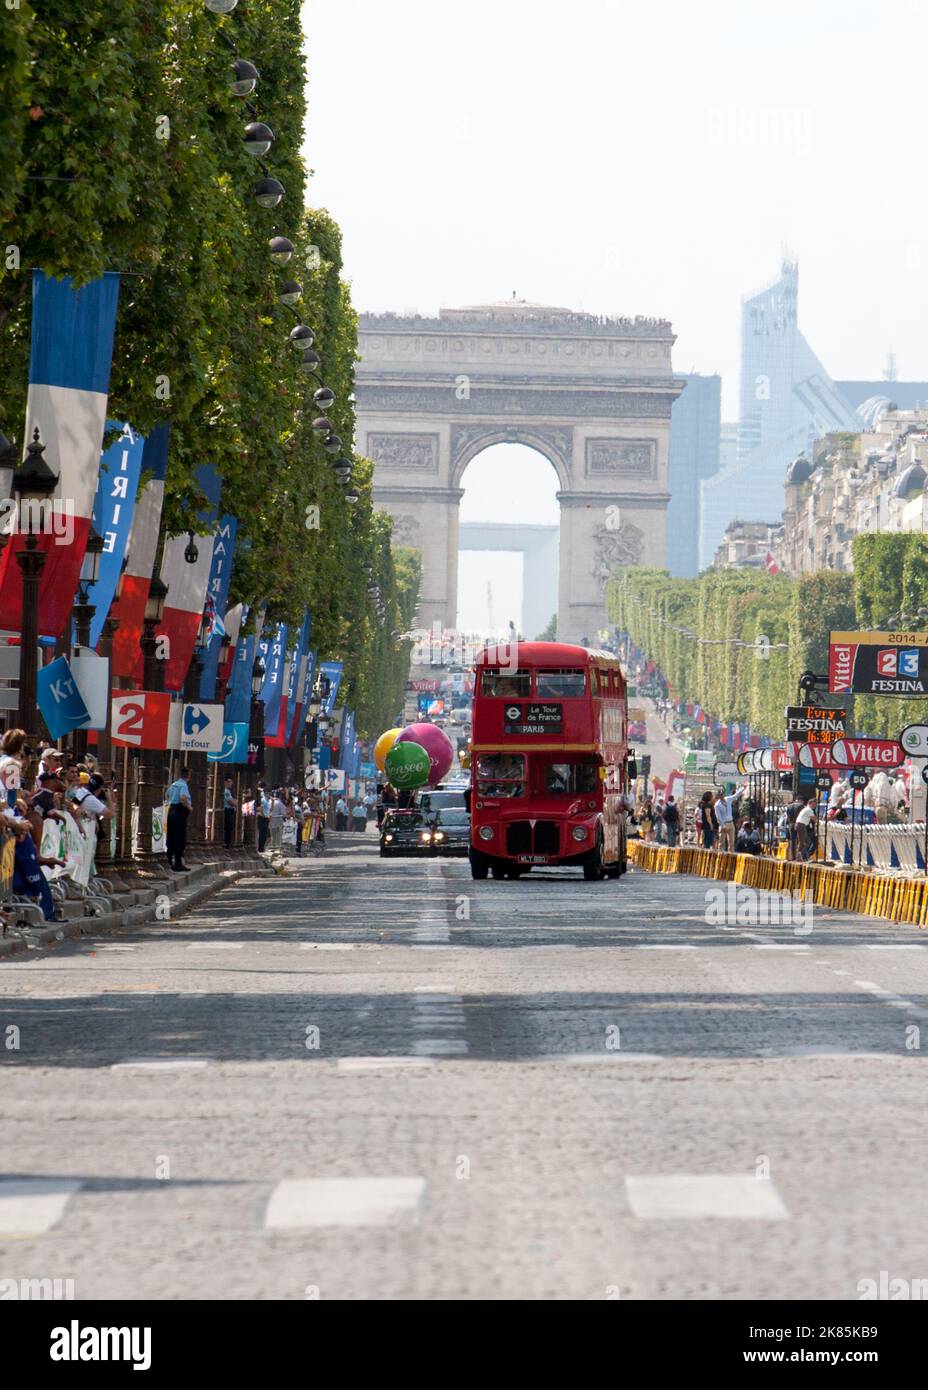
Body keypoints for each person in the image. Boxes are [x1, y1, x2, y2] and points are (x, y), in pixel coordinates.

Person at [165, 766, 192, 872]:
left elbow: (166, 795)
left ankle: (169, 861)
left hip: (171, 810)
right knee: (180, 838)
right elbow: (183, 798)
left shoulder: (174, 784)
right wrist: (189, 807)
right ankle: (178, 863)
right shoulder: (183, 785)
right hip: (180, 812)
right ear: (188, 776)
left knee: (171, 837)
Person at [714, 788, 740, 853]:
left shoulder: (728, 799)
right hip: (724, 823)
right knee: (721, 842)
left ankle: (731, 855)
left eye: (722, 794)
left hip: (731, 822)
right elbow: (718, 817)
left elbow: (735, 796)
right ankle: (720, 856)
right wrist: (723, 826)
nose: (722, 795)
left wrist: (743, 788)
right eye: (720, 794)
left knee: (731, 841)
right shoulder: (717, 805)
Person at [795, 796, 816, 861]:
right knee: (802, 842)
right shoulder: (809, 810)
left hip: (801, 825)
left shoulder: (806, 809)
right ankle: (799, 856)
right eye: (814, 804)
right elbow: (814, 819)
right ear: (810, 803)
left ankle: (804, 855)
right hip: (801, 825)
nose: (815, 806)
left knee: (807, 841)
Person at [256, 783, 271, 852]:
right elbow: (260, 809)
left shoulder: (267, 801)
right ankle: (260, 848)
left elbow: (269, 809)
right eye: (268, 793)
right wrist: (264, 815)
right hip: (263, 818)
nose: (269, 795)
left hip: (266, 818)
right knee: (262, 834)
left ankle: (262, 848)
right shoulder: (263, 800)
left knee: (265, 835)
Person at [223, 775, 236, 849]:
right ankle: (226, 845)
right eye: (229, 781)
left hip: (229, 811)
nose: (231, 783)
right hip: (227, 811)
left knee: (229, 828)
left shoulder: (228, 791)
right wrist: (238, 802)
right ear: (225, 782)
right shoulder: (226, 791)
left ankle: (227, 844)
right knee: (228, 828)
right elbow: (232, 802)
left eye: (231, 782)